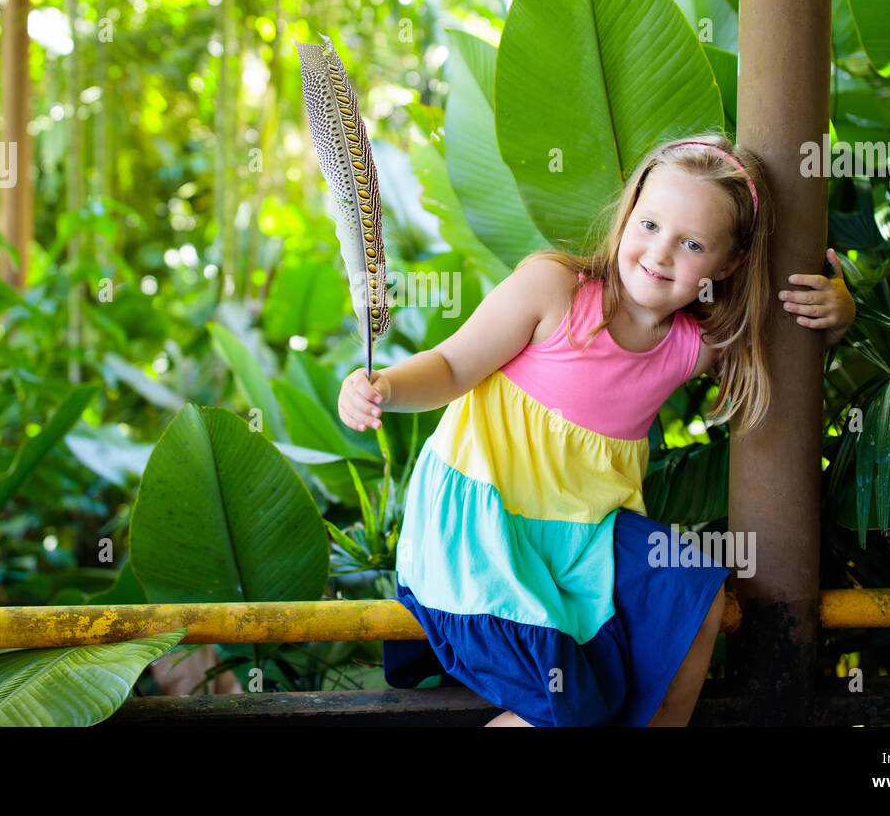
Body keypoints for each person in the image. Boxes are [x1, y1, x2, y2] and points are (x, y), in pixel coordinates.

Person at [337, 133, 857, 726]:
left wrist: (840, 315)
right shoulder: (554, 292)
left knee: (694, 591)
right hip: (487, 525)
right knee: (574, 705)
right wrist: (385, 386)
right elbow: (453, 366)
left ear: (729, 263)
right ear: (628, 212)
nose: (660, 254)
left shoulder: (694, 347)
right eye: (651, 225)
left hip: (586, 534)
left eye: (692, 244)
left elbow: (790, 339)